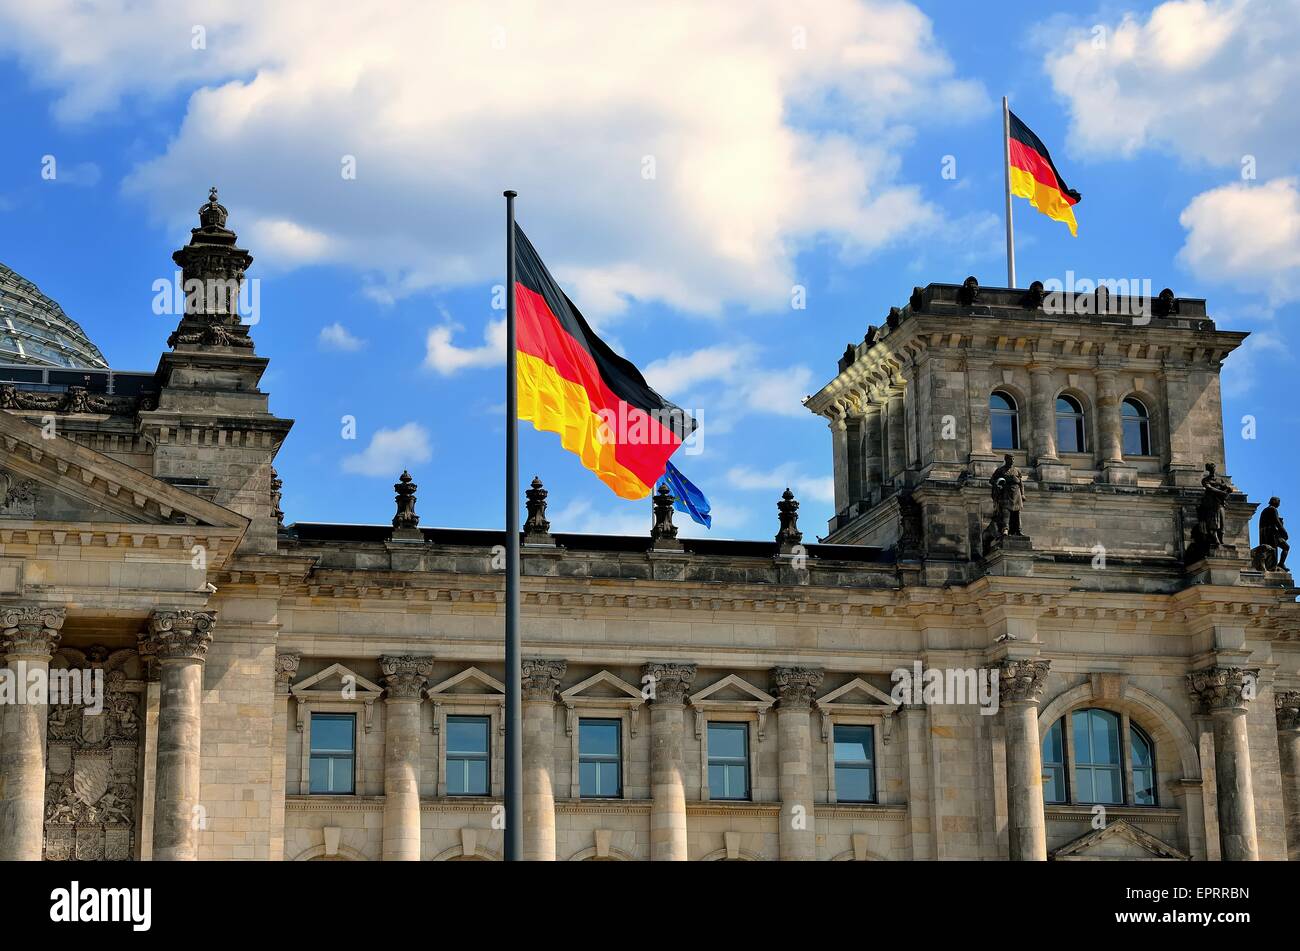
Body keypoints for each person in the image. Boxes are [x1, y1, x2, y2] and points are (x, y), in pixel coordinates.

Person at [989, 454, 1024, 536]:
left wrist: (1023, 494)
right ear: (1006, 460)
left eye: (1013, 459)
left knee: (1017, 513)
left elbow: (1021, 483)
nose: (1012, 461)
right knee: (1006, 512)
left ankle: (1018, 530)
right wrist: (998, 482)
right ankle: (1005, 529)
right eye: (1010, 459)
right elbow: (991, 480)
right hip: (1005, 493)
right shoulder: (1000, 470)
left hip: (1016, 493)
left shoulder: (1017, 470)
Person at [1260, 496, 1289, 570]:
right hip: (1271, 533)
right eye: (1278, 502)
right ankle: (1280, 564)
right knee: (1286, 547)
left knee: (1271, 549)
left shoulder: (1265, 510)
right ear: (1274, 501)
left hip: (1265, 533)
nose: (1279, 504)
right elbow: (1277, 522)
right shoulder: (1273, 509)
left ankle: (1273, 565)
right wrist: (1284, 532)